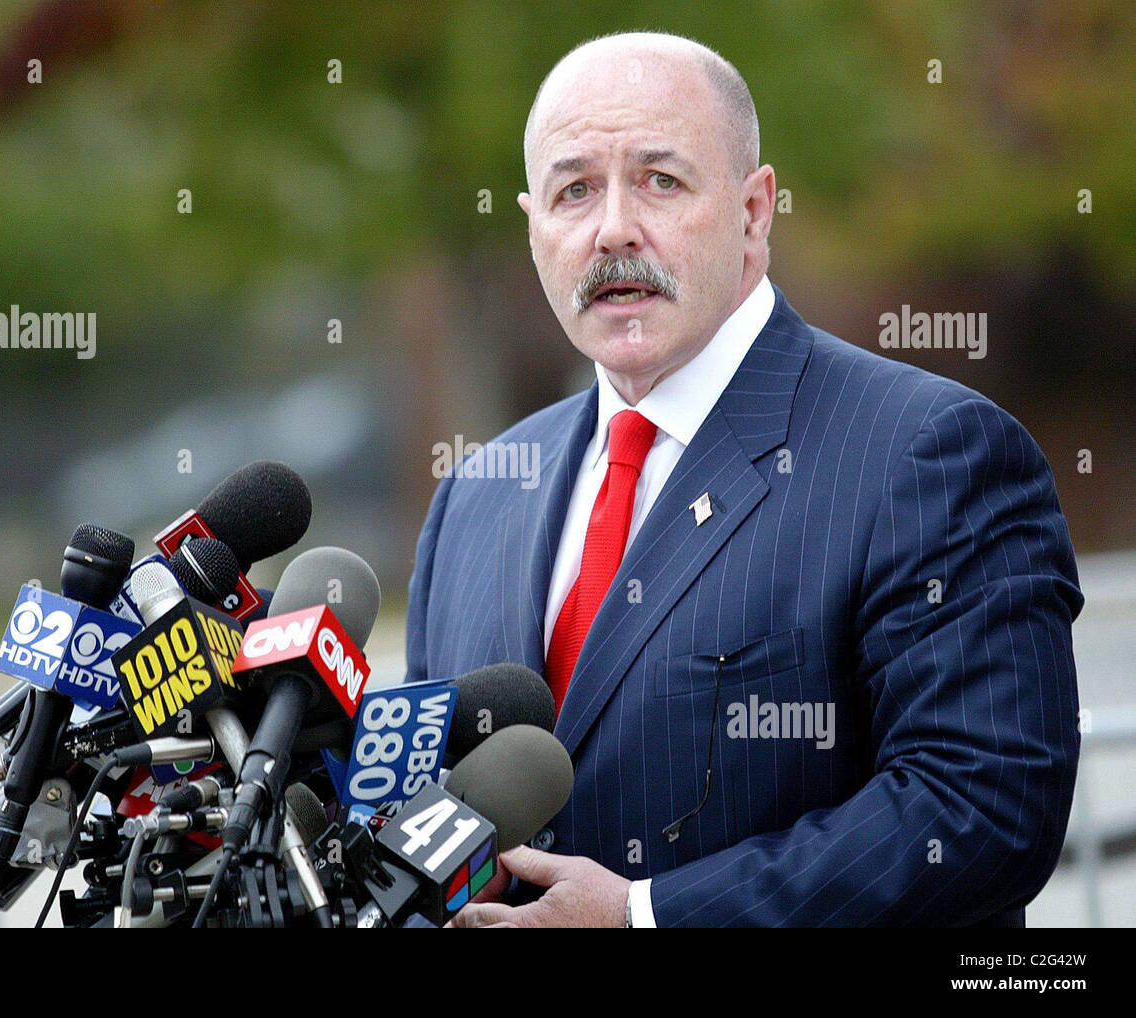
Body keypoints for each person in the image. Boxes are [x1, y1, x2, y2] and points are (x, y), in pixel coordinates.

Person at [404, 32, 1083, 927]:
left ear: (755, 212)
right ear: (534, 227)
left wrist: (648, 915)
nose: (612, 228)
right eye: (575, 190)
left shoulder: (929, 452)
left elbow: (982, 811)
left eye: (661, 181)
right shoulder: (476, 496)